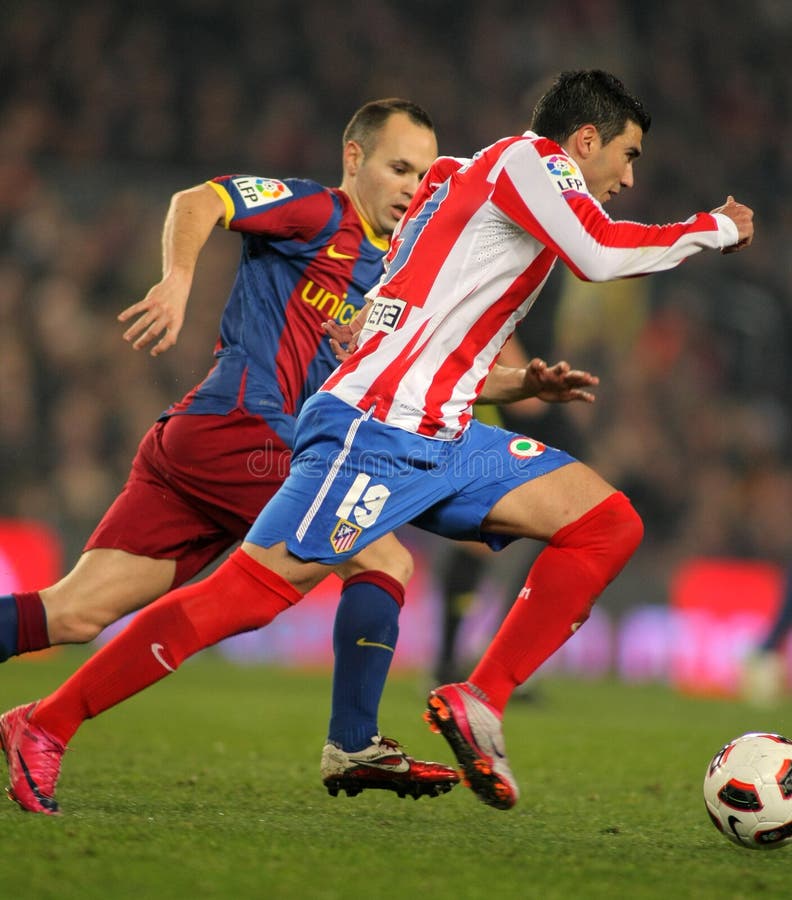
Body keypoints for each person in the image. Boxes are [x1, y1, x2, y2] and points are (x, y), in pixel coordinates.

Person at [0, 69, 754, 815]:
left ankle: (479, 699)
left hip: (444, 432)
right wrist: (715, 228)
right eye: (627, 155)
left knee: (605, 522)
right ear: (584, 140)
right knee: (247, 597)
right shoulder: (532, 161)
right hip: (372, 432)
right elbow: (599, 255)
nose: (628, 177)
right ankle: (47, 722)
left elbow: (401, 308)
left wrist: (515, 382)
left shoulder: (456, 180)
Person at [0, 98, 463, 802]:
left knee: (74, 613)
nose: (412, 187)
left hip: (204, 441)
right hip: (243, 428)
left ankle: (36, 726)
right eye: (399, 168)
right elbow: (199, 200)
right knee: (383, 558)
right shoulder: (319, 213)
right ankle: (354, 743)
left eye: (424, 176)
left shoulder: (395, 274)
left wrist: (524, 383)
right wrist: (178, 279)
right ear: (354, 159)